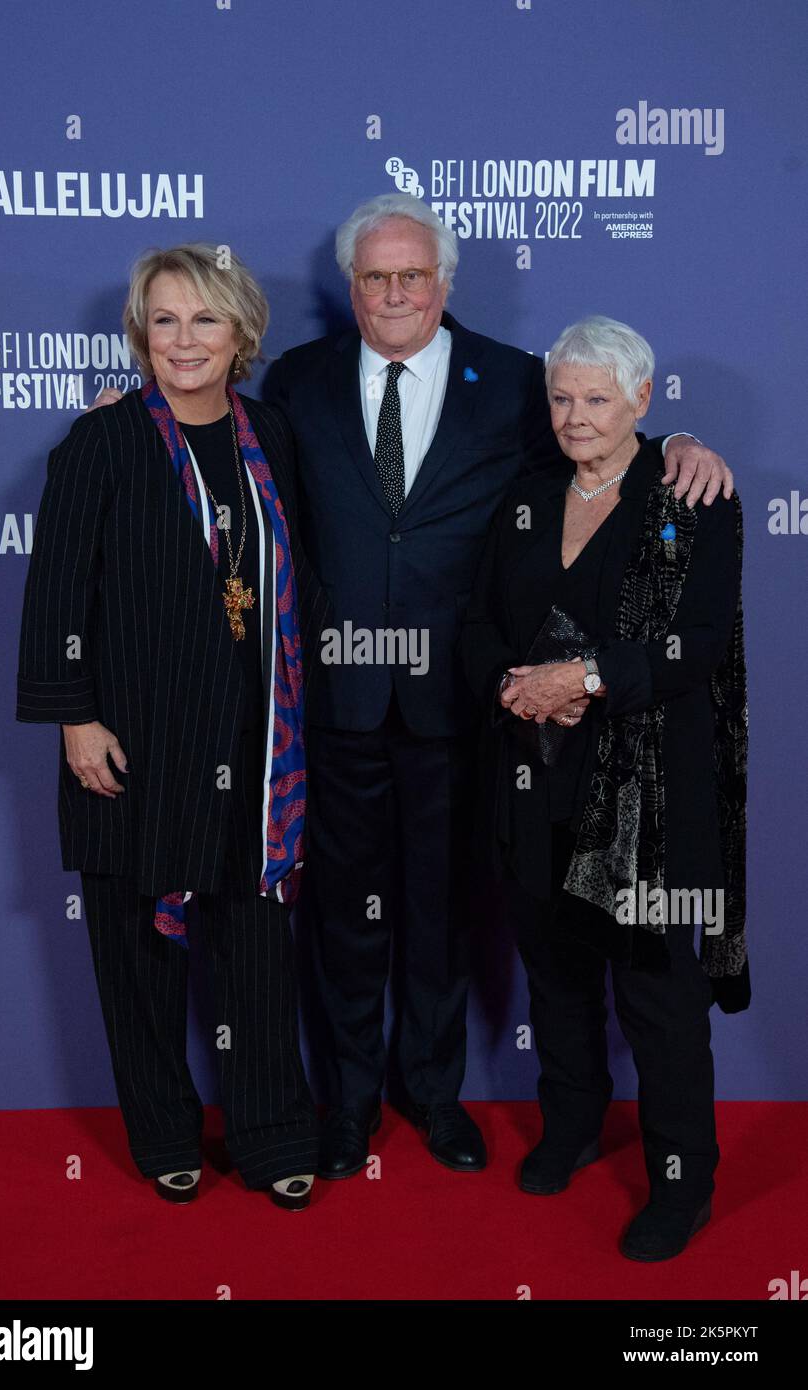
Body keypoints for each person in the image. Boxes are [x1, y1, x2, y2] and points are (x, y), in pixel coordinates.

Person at [264, 194, 735, 1182]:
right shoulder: (297, 381)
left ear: (444, 284)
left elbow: (601, 443)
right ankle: (346, 1104)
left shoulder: (517, 385)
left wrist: (683, 448)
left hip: (463, 704)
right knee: (345, 915)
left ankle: (431, 1097)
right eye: (374, 278)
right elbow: (231, 463)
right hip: (339, 700)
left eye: (413, 276)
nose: (393, 294)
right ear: (350, 288)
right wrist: (126, 416)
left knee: (438, 914)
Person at [16, 243, 328, 1210]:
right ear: (140, 335)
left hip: (250, 742)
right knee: (136, 952)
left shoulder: (269, 434)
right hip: (132, 742)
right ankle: (161, 1136)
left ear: (240, 333)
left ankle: (275, 1134)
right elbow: (56, 591)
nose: (183, 341)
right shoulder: (100, 443)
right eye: (164, 321)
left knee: (257, 949)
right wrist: (74, 721)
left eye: (204, 320)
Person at [460, 315, 748, 1260]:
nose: (576, 417)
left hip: (648, 799)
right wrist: (518, 685)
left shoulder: (688, 493)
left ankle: (681, 1182)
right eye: (561, 397)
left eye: (596, 398)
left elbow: (697, 647)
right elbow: (480, 626)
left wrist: (582, 681)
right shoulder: (527, 496)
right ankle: (573, 1128)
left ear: (642, 400)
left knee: (660, 999)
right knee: (557, 971)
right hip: (533, 775)